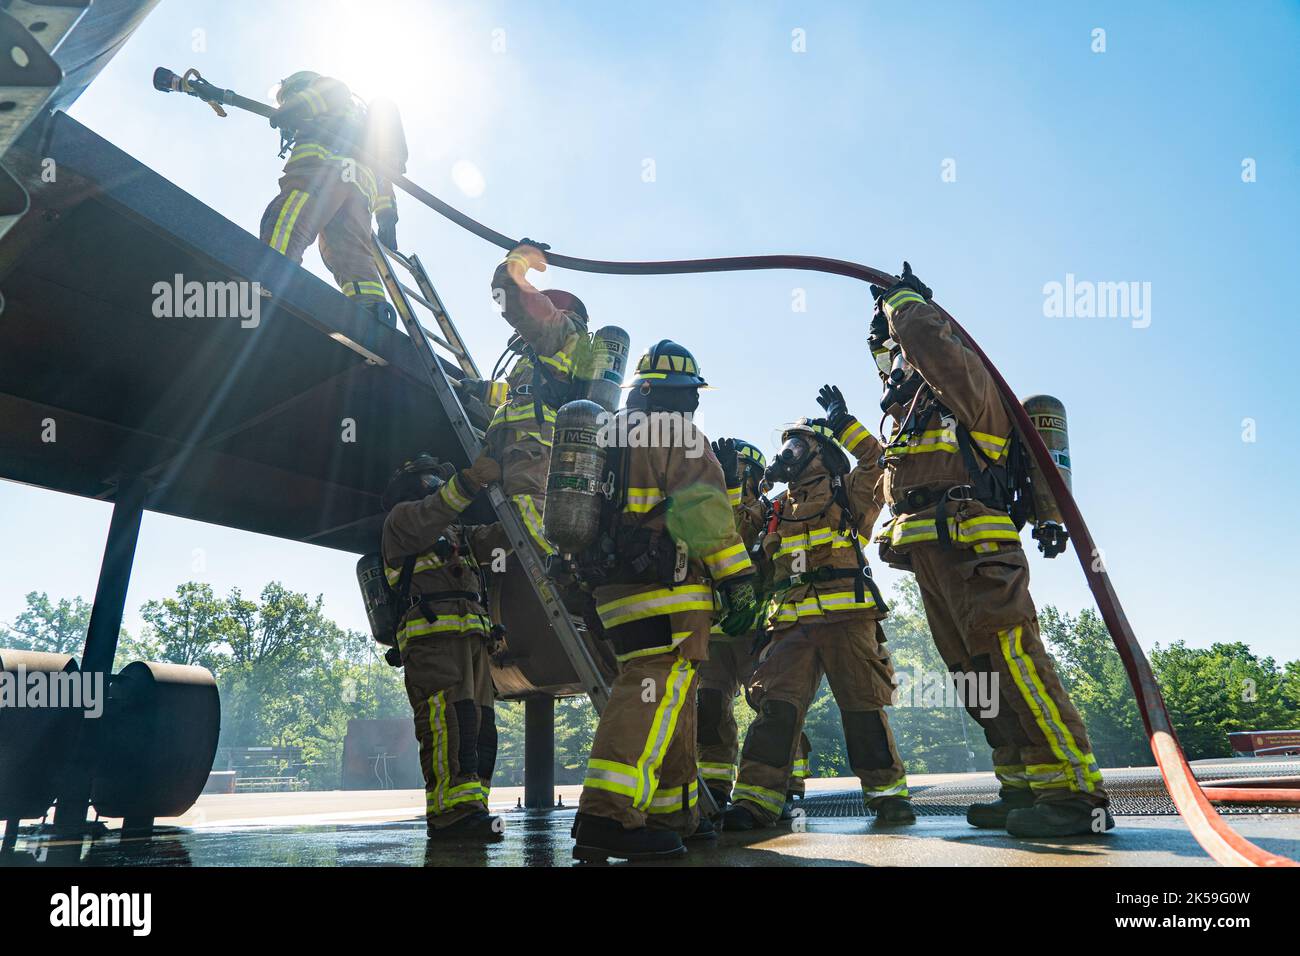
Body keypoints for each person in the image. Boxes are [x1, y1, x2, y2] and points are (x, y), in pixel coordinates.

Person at [870, 262, 1112, 837]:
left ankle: (1076, 794)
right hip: (933, 555)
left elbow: (934, 347)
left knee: (1014, 663)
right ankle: (1024, 785)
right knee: (975, 677)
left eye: (904, 364)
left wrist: (904, 304)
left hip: (977, 550)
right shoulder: (912, 417)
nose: (896, 373)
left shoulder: (969, 389)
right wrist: (882, 340)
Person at [570, 340, 759, 862]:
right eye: (687, 394)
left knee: (670, 698)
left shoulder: (606, 431)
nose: (691, 405)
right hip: (667, 587)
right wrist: (738, 579)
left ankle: (673, 813)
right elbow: (706, 513)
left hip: (612, 590)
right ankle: (607, 818)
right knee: (652, 691)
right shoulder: (677, 434)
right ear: (671, 395)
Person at [723, 404, 913, 830]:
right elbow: (733, 535)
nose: (785, 452)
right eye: (786, 444)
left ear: (822, 454)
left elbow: (878, 460)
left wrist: (844, 424)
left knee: (863, 709)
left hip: (848, 619)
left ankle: (887, 798)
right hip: (790, 625)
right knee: (776, 711)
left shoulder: (848, 491)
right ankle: (755, 801)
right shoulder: (773, 508)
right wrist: (736, 486)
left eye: (796, 444)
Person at [381, 451, 508, 839]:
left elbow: (500, 541)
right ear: (416, 484)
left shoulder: (458, 535)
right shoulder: (402, 520)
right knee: (448, 721)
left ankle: (472, 806)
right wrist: (470, 481)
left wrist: (524, 499)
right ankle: (449, 814)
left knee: (480, 729)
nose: (441, 485)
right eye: (433, 479)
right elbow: (434, 509)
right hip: (433, 643)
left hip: (471, 642)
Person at [697, 438, 813, 814]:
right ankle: (714, 782)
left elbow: (736, 534)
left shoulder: (766, 512)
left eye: (739, 469)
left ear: (755, 477)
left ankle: (788, 780)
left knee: (770, 703)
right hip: (714, 631)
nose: (733, 474)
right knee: (709, 708)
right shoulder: (708, 506)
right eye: (728, 466)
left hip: (754, 631)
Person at [466, 240, 591, 556]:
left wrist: (521, 257)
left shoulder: (558, 330)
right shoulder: (549, 351)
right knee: (513, 519)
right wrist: (480, 389)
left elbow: (506, 287)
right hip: (516, 440)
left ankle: (562, 572)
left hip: (531, 440)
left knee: (526, 509)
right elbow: (527, 392)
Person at [259, 71, 404, 324]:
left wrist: (295, 107)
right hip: (359, 191)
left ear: (299, 88)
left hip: (322, 172)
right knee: (348, 252)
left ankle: (271, 278)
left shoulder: (324, 89)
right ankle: (373, 312)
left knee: (288, 222)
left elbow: (331, 92)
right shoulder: (359, 121)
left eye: (288, 98)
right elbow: (383, 174)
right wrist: (386, 216)